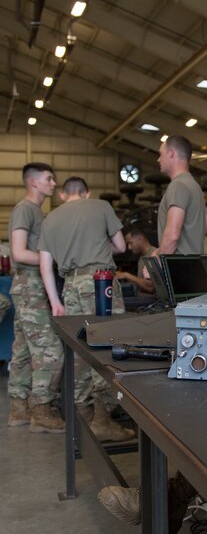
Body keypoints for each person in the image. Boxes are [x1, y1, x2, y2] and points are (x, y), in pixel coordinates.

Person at [38, 177, 135, 442]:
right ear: (86, 192)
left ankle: (84, 419)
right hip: (99, 281)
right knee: (107, 346)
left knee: (80, 351)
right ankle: (103, 419)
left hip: (69, 286)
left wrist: (55, 301)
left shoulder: (50, 219)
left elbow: (45, 265)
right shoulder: (101, 205)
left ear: (63, 195)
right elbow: (122, 247)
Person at [6, 162, 66, 433]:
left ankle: (19, 409)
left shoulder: (36, 212)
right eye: (49, 179)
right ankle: (42, 410)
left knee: (23, 351)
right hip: (31, 288)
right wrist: (51, 261)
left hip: (28, 288)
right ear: (34, 182)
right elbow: (18, 253)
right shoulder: (25, 210)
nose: (53, 184)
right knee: (49, 350)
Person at [155, 135, 205, 256]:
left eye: (161, 154)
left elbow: (172, 236)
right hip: (191, 267)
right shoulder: (193, 185)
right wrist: (157, 252)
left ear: (171, 154)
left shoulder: (178, 185)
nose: (158, 159)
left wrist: (157, 263)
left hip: (178, 269)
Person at [115, 226, 156, 295]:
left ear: (140, 238)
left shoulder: (154, 255)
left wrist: (126, 275)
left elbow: (151, 287)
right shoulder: (141, 258)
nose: (129, 247)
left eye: (130, 243)